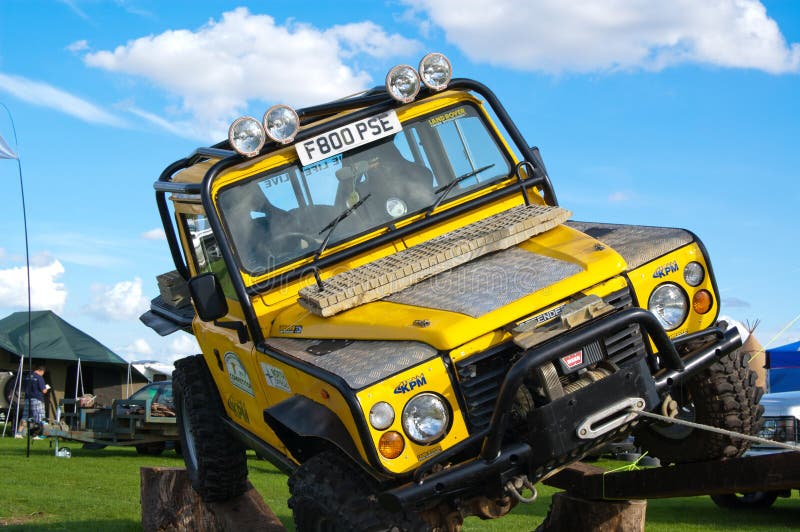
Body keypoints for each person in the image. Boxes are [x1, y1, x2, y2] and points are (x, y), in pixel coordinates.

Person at [16, 364, 49, 438]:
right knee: (40, 417)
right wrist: (46, 388)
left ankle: (18, 433)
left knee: (25, 416)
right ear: (41, 371)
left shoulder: (27, 377)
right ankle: (39, 435)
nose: (43, 374)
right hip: (37, 399)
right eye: (43, 372)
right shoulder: (39, 378)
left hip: (27, 399)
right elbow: (44, 391)